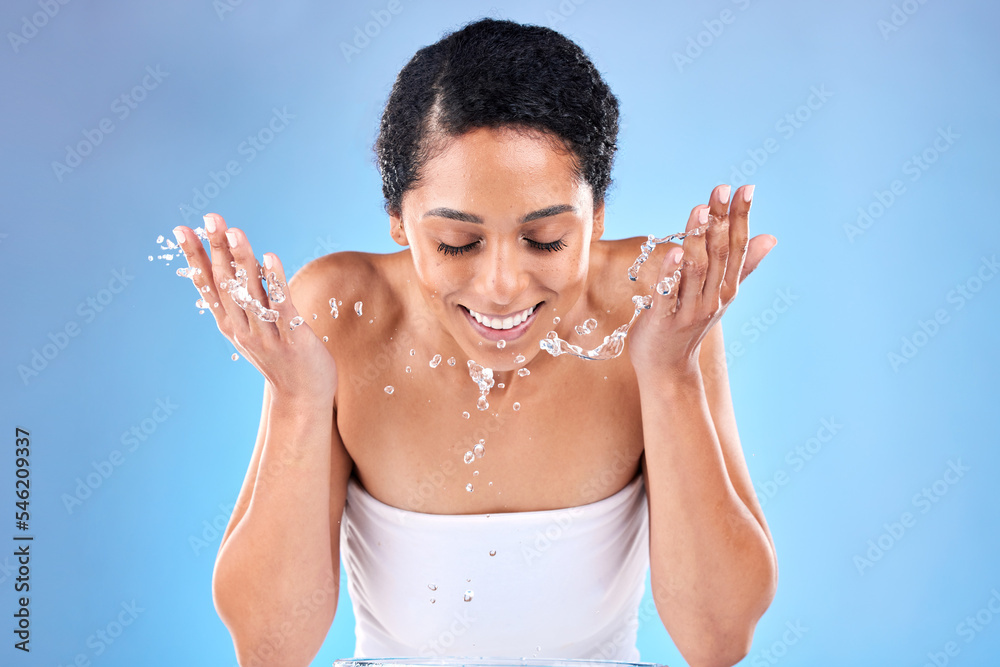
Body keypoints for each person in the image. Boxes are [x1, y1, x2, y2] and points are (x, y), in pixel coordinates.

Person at [172, 17, 778, 667]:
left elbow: (719, 640)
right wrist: (298, 399)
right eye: (456, 243)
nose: (499, 287)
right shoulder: (343, 313)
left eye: (545, 239)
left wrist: (669, 374)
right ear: (398, 219)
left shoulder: (653, 306)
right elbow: (269, 647)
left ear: (597, 215)